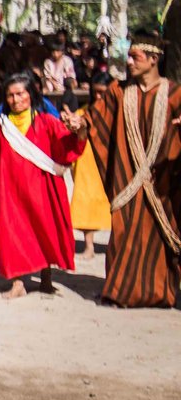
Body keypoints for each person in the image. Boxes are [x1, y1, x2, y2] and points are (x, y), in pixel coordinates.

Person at [66, 33, 181, 307]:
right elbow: (95, 120)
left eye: (135, 57)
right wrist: (79, 124)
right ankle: (121, 291)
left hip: (162, 181)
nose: (129, 62)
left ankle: (162, 293)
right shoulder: (119, 91)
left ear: (154, 59)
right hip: (126, 179)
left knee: (158, 238)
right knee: (124, 233)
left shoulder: (174, 92)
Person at [0, 72, 86, 299]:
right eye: (10, 95)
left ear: (31, 94)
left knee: (45, 231)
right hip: (9, 191)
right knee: (11, 233)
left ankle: (46, 277)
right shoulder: (1, 126)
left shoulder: (47, 122)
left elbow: (69, 146)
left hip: (42, 189)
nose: (15, 99)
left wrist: (80, 129)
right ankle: (18, 282)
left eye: (20, 93)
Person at [69, 71, 113, 260]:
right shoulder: (82, 114)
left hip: (110, 163)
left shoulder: (117, 116)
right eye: (95, 92)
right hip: (86, 161)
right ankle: (89, 246)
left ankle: (114, 246)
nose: (98, 96)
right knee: (85, 201)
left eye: (102, 92)